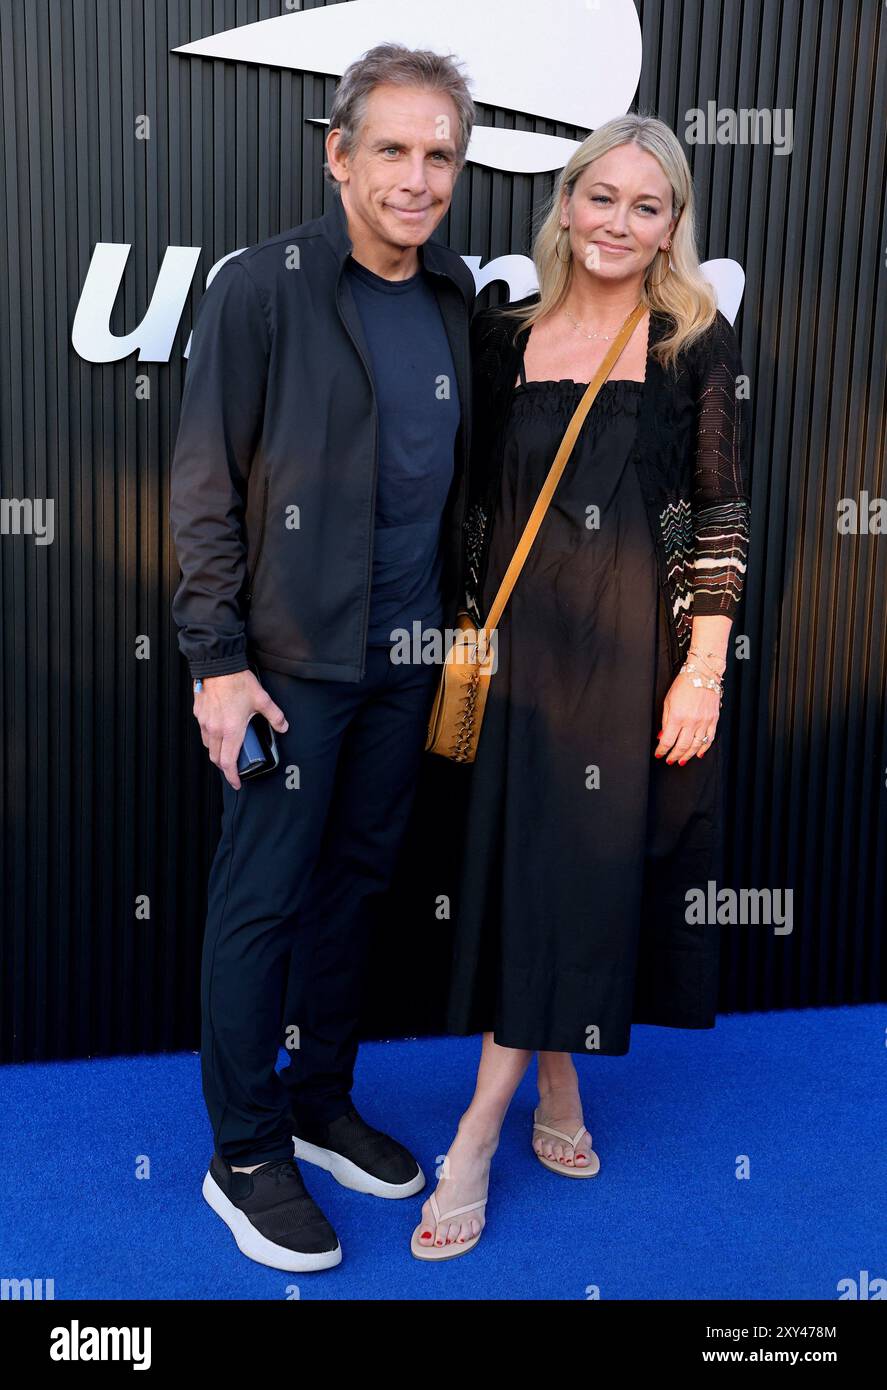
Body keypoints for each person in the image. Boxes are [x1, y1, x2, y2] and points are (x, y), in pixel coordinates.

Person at [410, 113, 751, 1259]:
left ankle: (472, 1132)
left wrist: (701, 670)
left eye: (644, 205)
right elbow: (466, 506)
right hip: (513, 668)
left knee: (561, 883)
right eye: (597, 196)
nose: (617, 220)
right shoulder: (499, 334)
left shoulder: (689, 342)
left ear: (670, 226)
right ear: (563, 204)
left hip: (629, 661)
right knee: (523, 881)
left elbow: (718, 518)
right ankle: (556, 1086)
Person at [169, 43, 476, 1271]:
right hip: (285, 673)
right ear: (338, 155)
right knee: (261, 903)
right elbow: (201, 485)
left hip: (404, 664)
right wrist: (214, 658)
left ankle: (319, 1100)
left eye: (438, 153)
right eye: (390, 149)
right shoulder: (264, 288)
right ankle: (243, 1151)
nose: (416, 177)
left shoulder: (453, 291)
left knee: (356, 891)